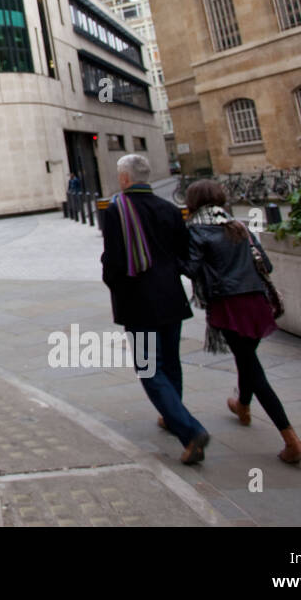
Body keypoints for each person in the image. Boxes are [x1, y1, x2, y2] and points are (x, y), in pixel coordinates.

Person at [182, 179, 301, 464]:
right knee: (247, 358)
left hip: (229, 305)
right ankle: (242, 405)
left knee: (253, 369)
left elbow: (190, 268)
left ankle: (292, 440)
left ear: (193, 202)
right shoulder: (237, 225)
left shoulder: (197, 230)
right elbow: (266, 264)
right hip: (256, 302)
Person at [101, 154, 209, 464]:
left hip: (138, 303)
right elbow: (183, 253)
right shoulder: (170, 209)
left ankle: (189, 430)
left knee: (149, 368)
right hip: (171, 297)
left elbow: (113, 262)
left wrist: (114, 283)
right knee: (171, 362)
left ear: (125, 179)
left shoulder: (117, 211)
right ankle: (172, 415)